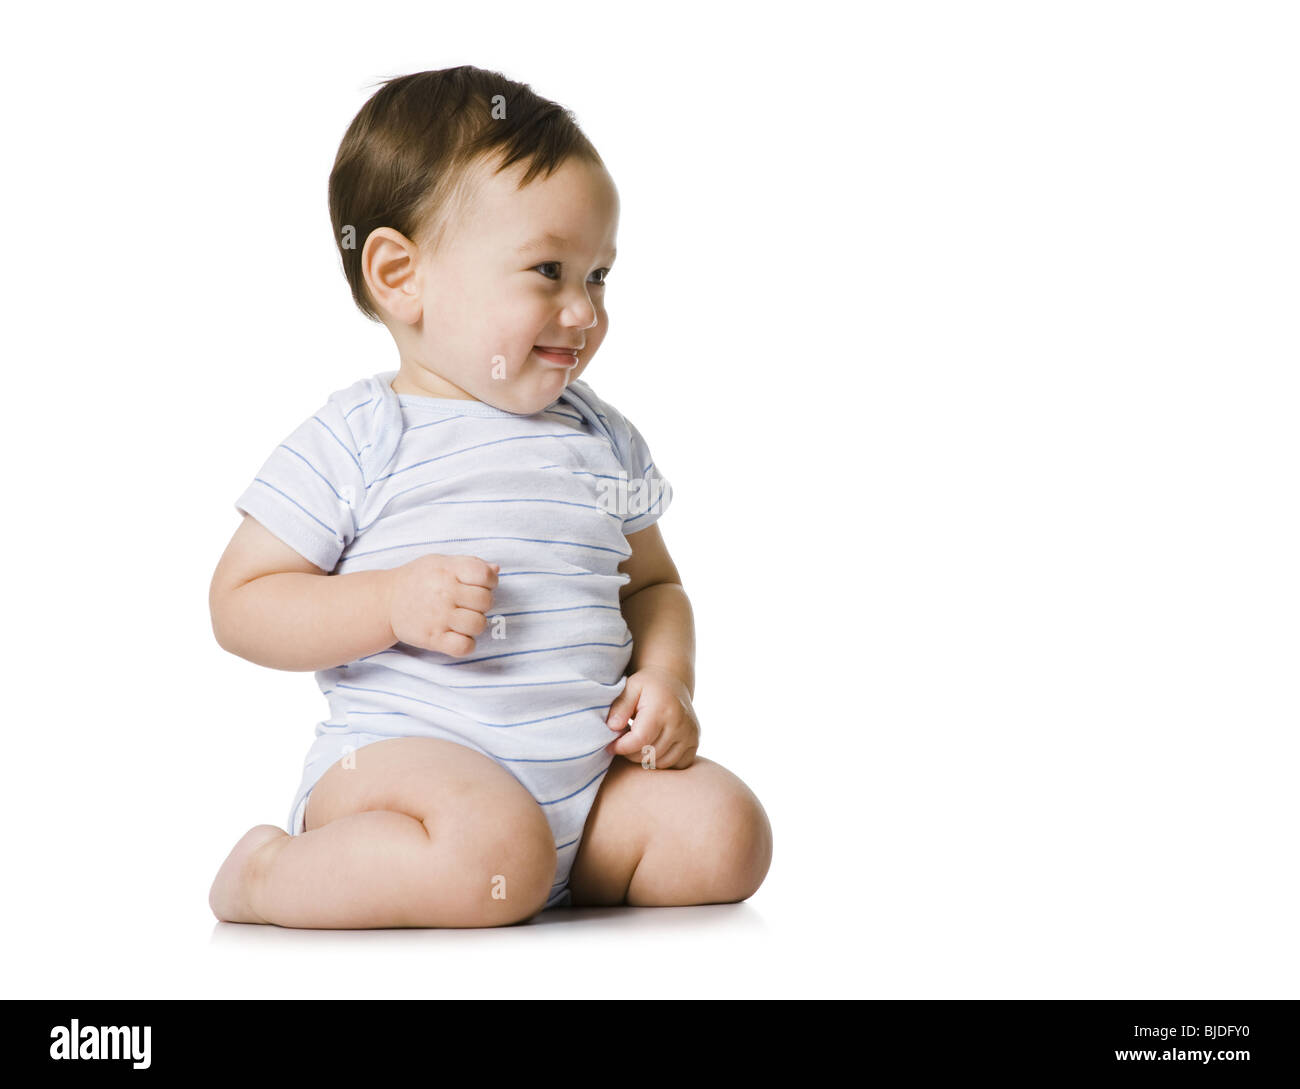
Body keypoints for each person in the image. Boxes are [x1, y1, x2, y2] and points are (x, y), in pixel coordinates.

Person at [207, 66, 771, 928]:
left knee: (728, 832)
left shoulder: (602, 436)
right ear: (401, 275)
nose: (583, 311)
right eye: (549, 270)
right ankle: (268, 875)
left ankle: (544, 877)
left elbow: (656, 587)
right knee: (490, 843)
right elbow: (240, 604)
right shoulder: (362, 435)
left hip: (583, 793)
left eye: (599, 276)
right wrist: (389, 601)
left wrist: (667, 677)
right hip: (408, 787)